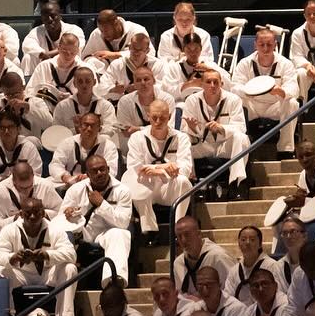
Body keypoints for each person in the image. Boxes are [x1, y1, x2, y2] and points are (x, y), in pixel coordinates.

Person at [0, 195, 79, 316]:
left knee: (69, 268)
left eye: (36, 213)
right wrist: (13, 257)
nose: (32, 217)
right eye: (28, 213)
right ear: (21, 214)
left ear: (43, 213)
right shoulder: (9, 230)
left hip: (47, 274)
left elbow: (71, 255)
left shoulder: (55, 229)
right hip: (20, 274)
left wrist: (47, 255)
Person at [60, 153, 134, 285]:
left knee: (121, 233)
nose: (100, 173)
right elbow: (61, 220)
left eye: (102, 169)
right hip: (81, 234)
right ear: (87, 174)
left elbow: (123, 223)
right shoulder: (75, 190)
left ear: (108, 169)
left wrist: (102, 204)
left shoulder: (122, 190)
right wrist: (68, 214)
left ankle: (113, 282)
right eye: (94, 171)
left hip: (107, 235)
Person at [123, 98, 193, 236]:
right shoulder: (137, 137)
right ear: (148, 116)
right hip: (146, 186)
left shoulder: (181, 138)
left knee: (184, 182)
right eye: (154, 117)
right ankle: (149, 230)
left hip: (167, 187)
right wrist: (164, 168)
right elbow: (133, 168)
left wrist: (155, 171)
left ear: (170, 117)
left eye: (162, 118)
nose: (158, 122)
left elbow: (185, 169)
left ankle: (178, 230)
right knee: (134, 181)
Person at [232, 28, 301, 155]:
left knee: (292, 103)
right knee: (237, 101)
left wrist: (282, 91)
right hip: (252, 104)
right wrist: (248, 91)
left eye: (269, 44)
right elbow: (235, 86)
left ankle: (285, 148)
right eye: (261, 45)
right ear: (255, 45)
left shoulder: (285, 63)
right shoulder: (245, 63)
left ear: (275, 44)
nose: (265, 49)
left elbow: (294, 88)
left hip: (274, 105)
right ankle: (242, 148)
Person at [182, 69, 250, 198]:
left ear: (222, 84)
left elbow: (241, 127)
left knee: (241, 138)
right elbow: (184, 133)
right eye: (208, 82)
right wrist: (193, 129)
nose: (212, 85)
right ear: (201, 84)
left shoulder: (233, 99)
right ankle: (191, 183)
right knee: (184, 139)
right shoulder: (191, 101)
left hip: (224, 146)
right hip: (202, 145)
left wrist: (222, 128)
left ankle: (237, 183)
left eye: (216, 82)